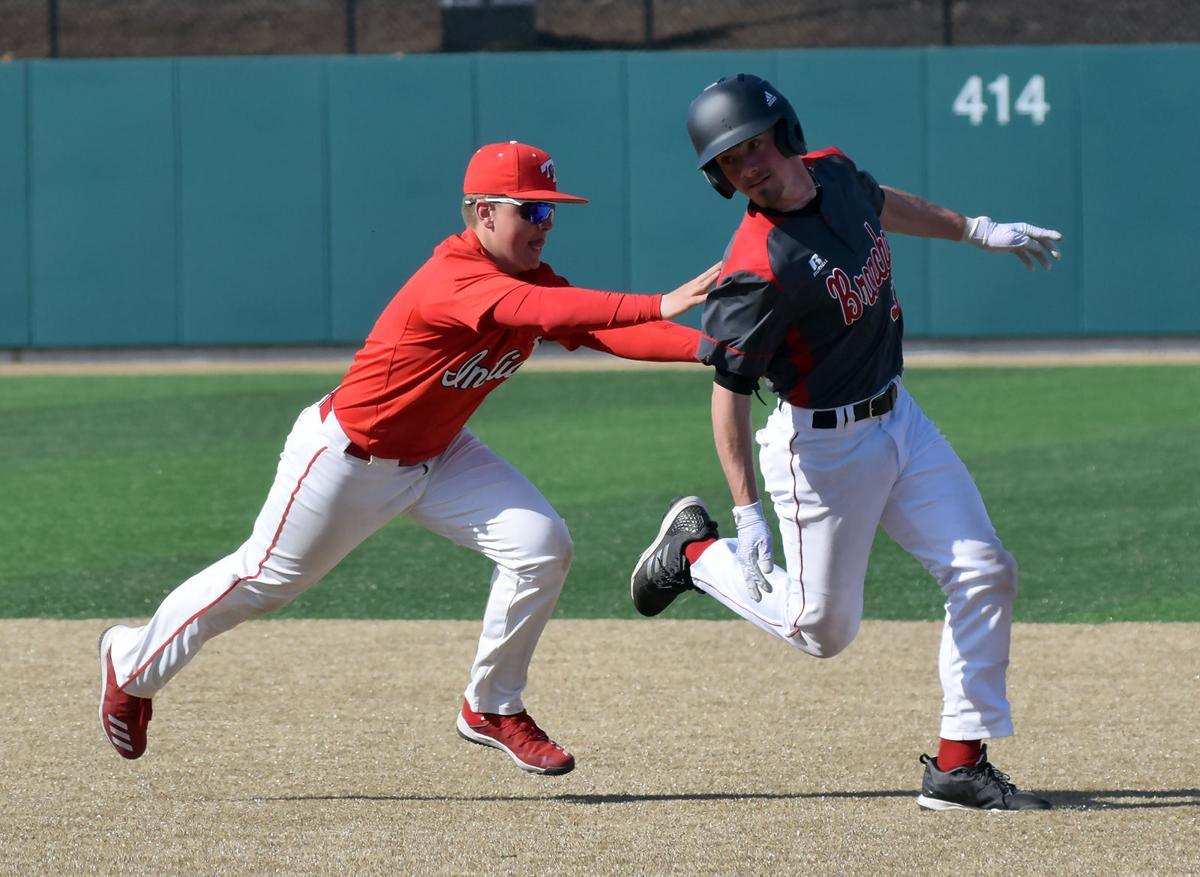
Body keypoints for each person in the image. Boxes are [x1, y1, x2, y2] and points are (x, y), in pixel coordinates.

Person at [99, 140, 719, 776]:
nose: (545, 224)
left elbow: (596, 327)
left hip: (440, 456)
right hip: (348, 460)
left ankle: (492, 706)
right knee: (264, 581)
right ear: (483, 214)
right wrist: (657, 300)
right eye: (529, 211)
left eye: (550, 211)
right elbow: (542, 311)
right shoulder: (455, 278)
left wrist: (710, 350)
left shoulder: (533, 280)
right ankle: (132, 664)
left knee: (541, 545)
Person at [629, 74, 1063, 811]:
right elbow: (728, 392)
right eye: (731, 163)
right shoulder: (758, 266)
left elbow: (882, 201)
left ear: (786, 133)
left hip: (901, 418)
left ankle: (959, 766)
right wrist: (746, 514)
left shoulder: (831, 171)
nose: (749, 167)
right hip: (820, 451)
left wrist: (976, 228)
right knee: (821, 631)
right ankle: (695, 553)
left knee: (985, 569)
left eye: (755, 145)